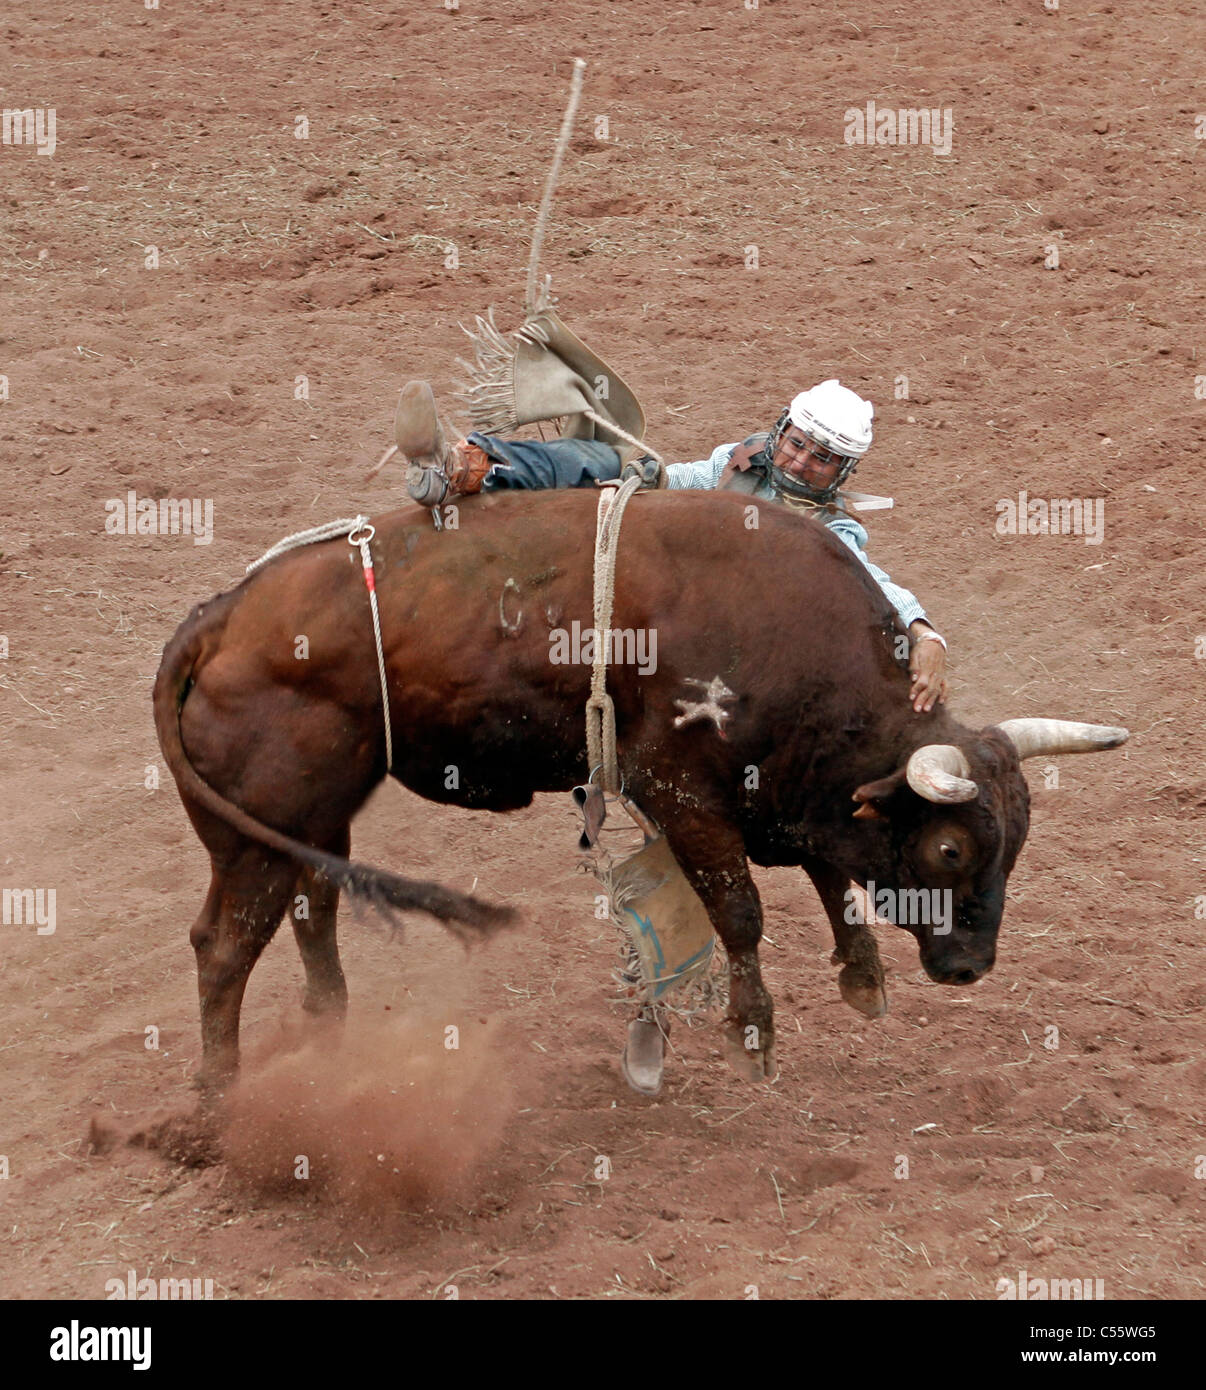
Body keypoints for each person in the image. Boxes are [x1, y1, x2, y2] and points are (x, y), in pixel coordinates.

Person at [395, 377, 949, 1096]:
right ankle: (466, 465)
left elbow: (872, 579)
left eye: (821, 458)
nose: (802, 460)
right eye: (799, 442)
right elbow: (666, 486)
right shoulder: (730, 471)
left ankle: (841, 945)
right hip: (669, 708)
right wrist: (639, 476)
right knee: (602, 464)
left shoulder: (831, 539)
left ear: (842, 473)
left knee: (792, 830)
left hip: (750, 723)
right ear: (781, 430)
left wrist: (921, 626)